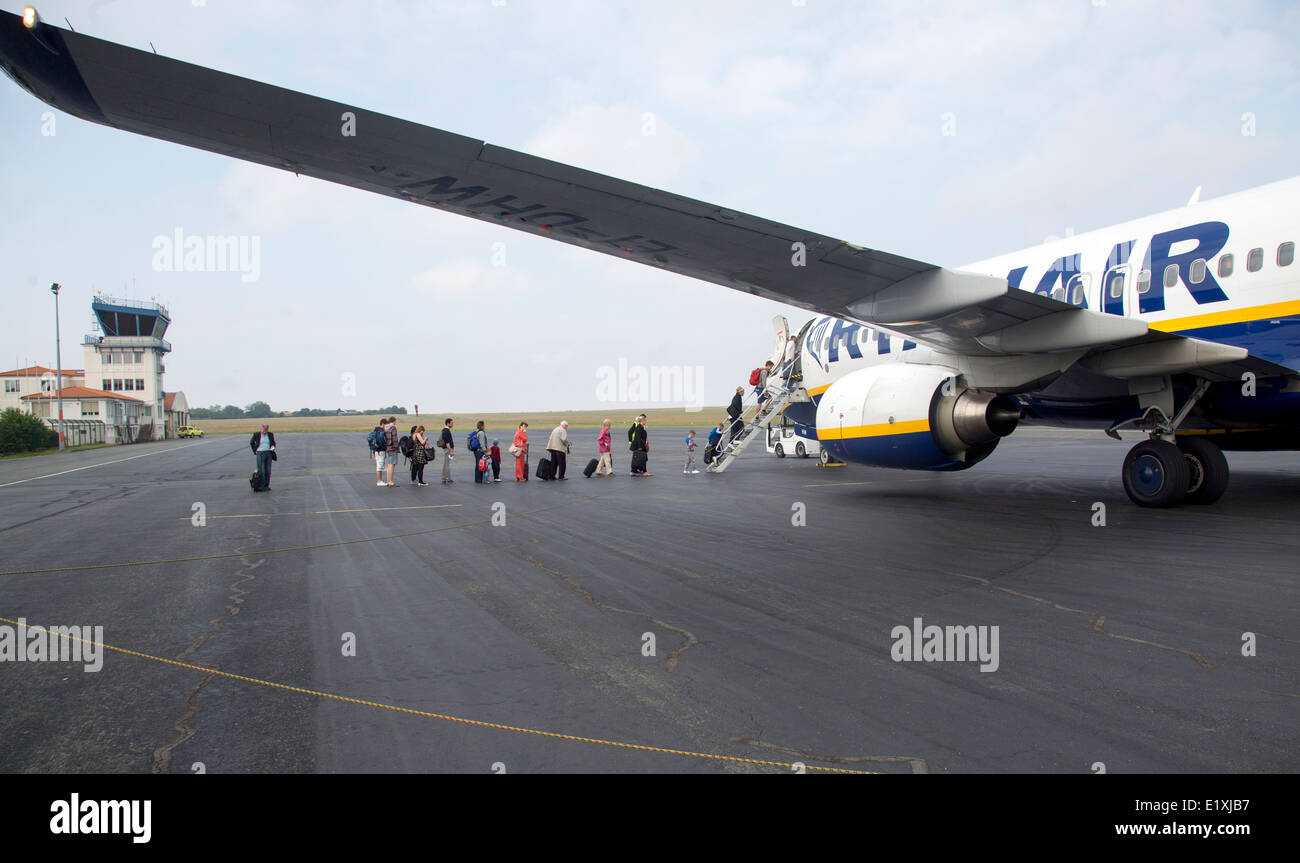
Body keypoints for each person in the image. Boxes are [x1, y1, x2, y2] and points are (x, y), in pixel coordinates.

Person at [249, 423, 277, 490]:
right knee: (261, 470)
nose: (264, 432)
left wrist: (273, 446)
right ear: (261, 429)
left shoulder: (270, 434)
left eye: (266, 430)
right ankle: (261, 485)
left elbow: (273, 442)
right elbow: (251, 442)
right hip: (260, 453)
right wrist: (255, 450)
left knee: (268, 470)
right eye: (263, 430)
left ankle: (266, 485)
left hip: (268, 453)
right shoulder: (257, 434)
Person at [382, 416, 400, 486]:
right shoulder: (393, 428)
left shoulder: (386, 428)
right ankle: (390, 481)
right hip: (393, 448)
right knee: (392, 465)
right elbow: (394, 438)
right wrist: (397, 447)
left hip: (388, 447)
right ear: (394, 421)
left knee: (389, 464)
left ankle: (388, 480)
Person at [440, 418, 455, 484]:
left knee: (445, 464)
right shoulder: (446, 431)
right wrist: (450, 450)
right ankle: (447, 478)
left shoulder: (444, 430)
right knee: (447, 464)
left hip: (447, 448)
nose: (452, 424)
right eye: (451, 423)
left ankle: (444, 478)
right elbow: (447, 442)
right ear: (447, 423)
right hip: (447, 449)